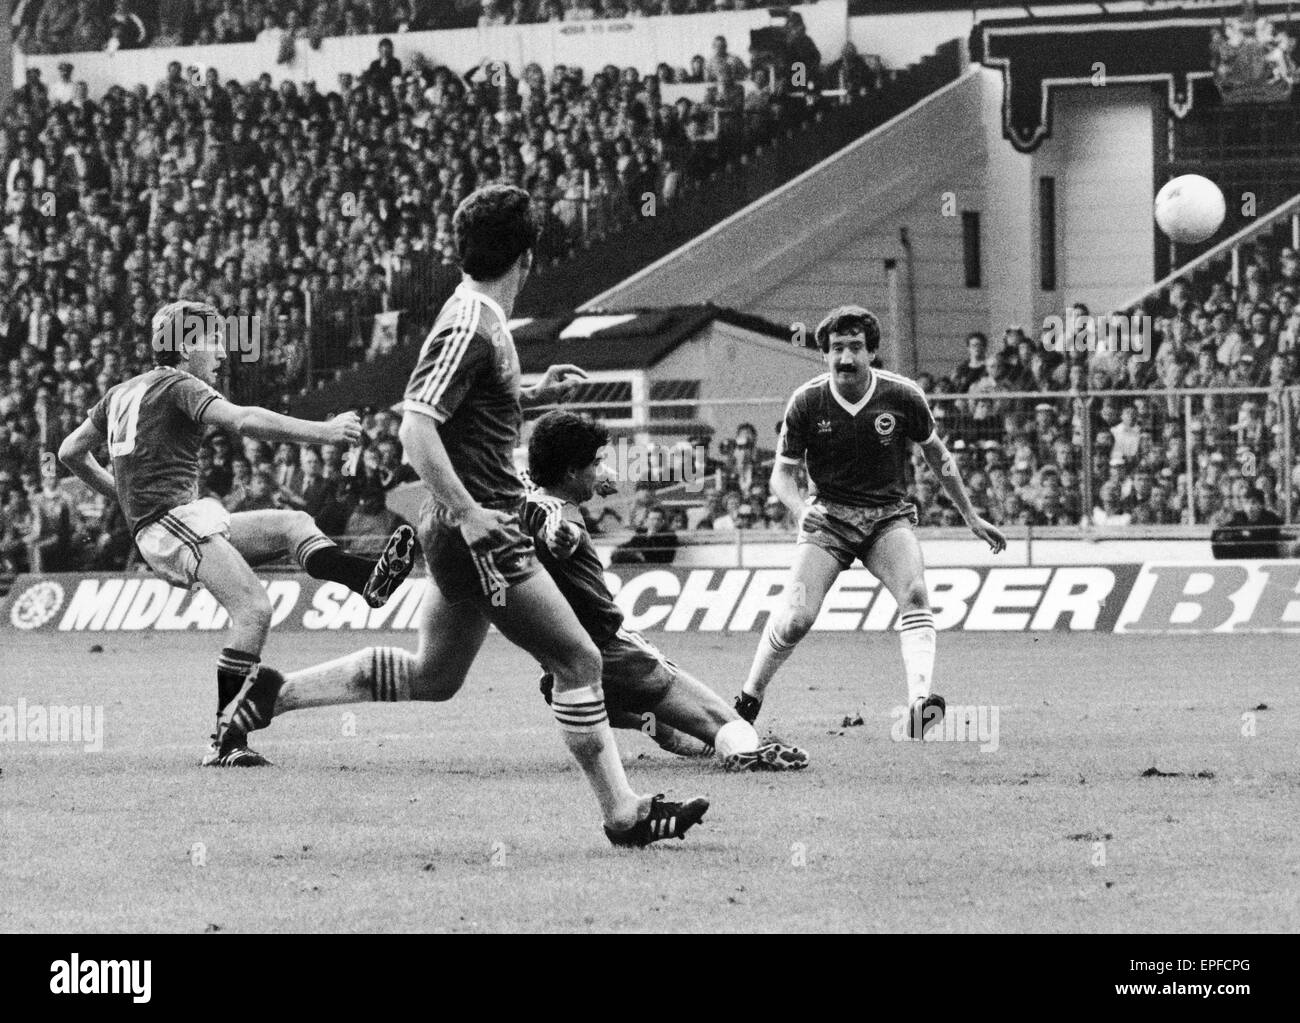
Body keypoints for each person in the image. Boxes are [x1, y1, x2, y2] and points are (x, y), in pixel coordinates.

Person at [265, 186, 708, 848]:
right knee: (581, 659)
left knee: (435, 675)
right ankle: (624, 812)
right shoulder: (472, 321)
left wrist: (535, 397)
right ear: (529, 255)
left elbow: (472, 418)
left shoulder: (480, 320)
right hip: (483, 530)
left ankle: (272, 694)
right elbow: (417, 427)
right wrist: (470, 511)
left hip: (466, 528)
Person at [58, 301, 416, 768]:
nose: (222, 353)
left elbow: (70, 451)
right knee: (253, 609)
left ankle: (366, 581)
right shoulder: (178, 383)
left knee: (294, 525)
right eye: (212, 341)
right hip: (172, 522)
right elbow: (244, 421)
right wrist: (325, 432)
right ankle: (225, 741)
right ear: (186, 346)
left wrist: (127, 503)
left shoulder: (122, 392)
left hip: (174, 521)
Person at [734, 306, 1006, 736]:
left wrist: (969, 514)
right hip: (828, 521)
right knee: (796, 619)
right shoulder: (807, 401)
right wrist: (800, 508)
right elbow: (781, 474)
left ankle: (919, 704)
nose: (846, 358)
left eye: (855, 347)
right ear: (825, 354)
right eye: (837, 349)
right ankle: (749, 696)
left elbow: (937, 454)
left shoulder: (902, 395)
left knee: (915, 593)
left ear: (872, 351)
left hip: (886, 518)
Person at [522, 411, 806, 771]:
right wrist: (561, 538)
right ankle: (745, 750)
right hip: (616, 655)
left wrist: (594, 480)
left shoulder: (525, 502)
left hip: (563, 673)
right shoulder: (562, 515)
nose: (602, 471)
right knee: (728, 723)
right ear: (571, 472)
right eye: (596, 464)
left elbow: (544, 495)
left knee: (665, 726)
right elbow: (561, 530)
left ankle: (668, 729)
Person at [610, 504, 678, 564]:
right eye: (652, 519)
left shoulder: (669, 535)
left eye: (658, 519)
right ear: (646, 520)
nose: (655, 522)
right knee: (617, 555)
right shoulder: (641, 532)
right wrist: (619, 548)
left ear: (662, 522)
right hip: (639, 562)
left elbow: (663, 556)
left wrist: (651, 536)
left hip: (656, 564)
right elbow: (632, 543)